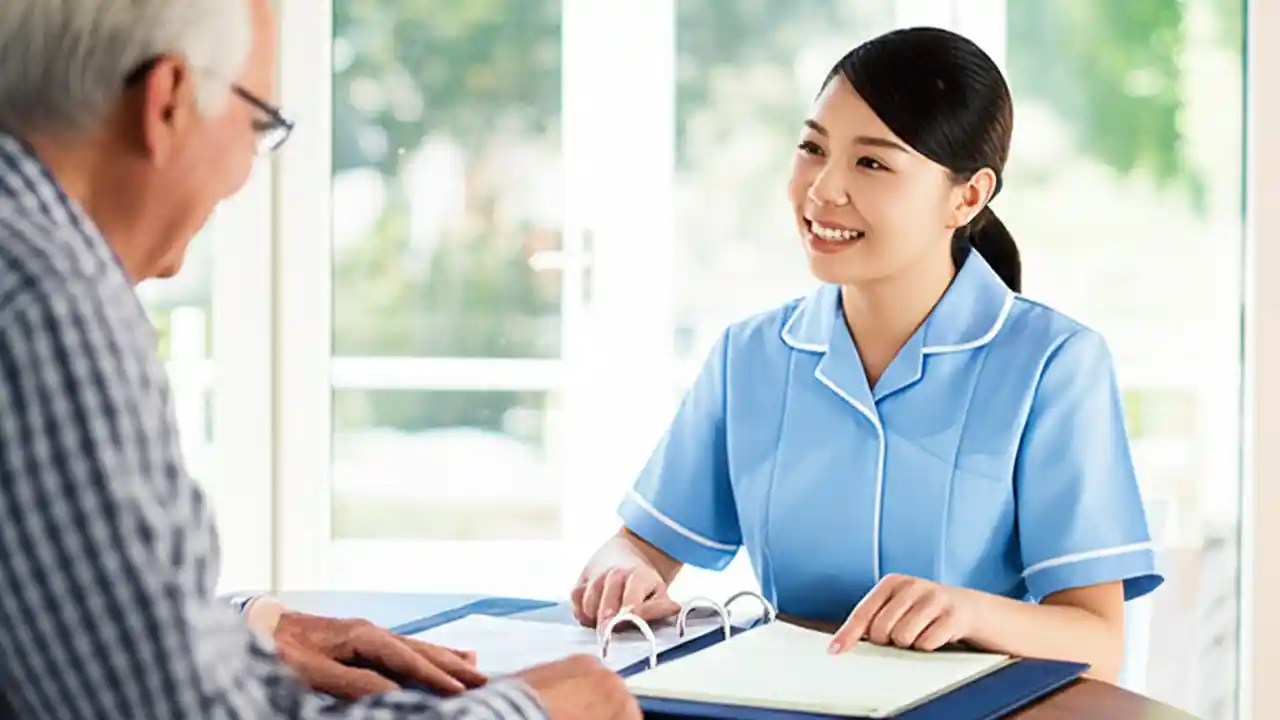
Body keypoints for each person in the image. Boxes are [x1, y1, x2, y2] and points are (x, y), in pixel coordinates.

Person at [0, 1, 638, 718]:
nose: (247, 168)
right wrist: (535, 711)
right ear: (168, 102)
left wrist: (247, 631)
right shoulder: (54, 306)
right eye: (258, 123)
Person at [571, 26, 1162, 684]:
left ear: (967, 196)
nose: (823, 189)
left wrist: (967, 612)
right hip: (789, 702)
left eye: (871, 163)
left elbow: (1098, 642)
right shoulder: (749, 356)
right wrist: (620, 574)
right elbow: (639, 546)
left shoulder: (1054, 364)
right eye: (812, 148)